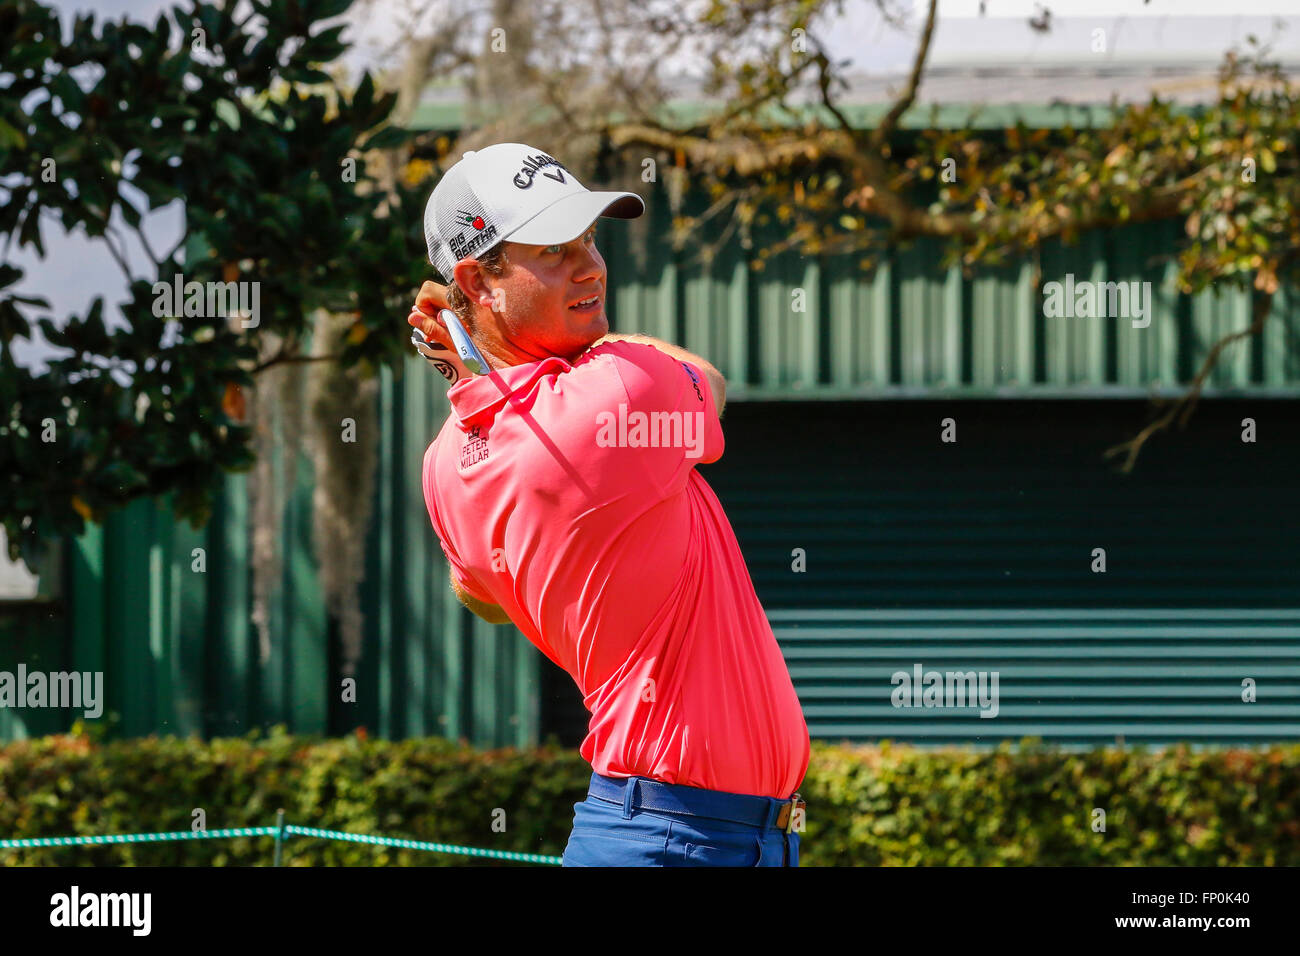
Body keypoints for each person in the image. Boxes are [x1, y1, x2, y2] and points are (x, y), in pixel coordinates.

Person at [407, 143, 809, 866]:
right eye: (556, 250)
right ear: (478, 279)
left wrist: (475, 365)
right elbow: (708, 383)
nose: (591, 265)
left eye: (590, 239)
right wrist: (560, 358)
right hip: (675, 838)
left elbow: (485, 598)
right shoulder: (620, 388)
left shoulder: (445, 463)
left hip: (674, 831)